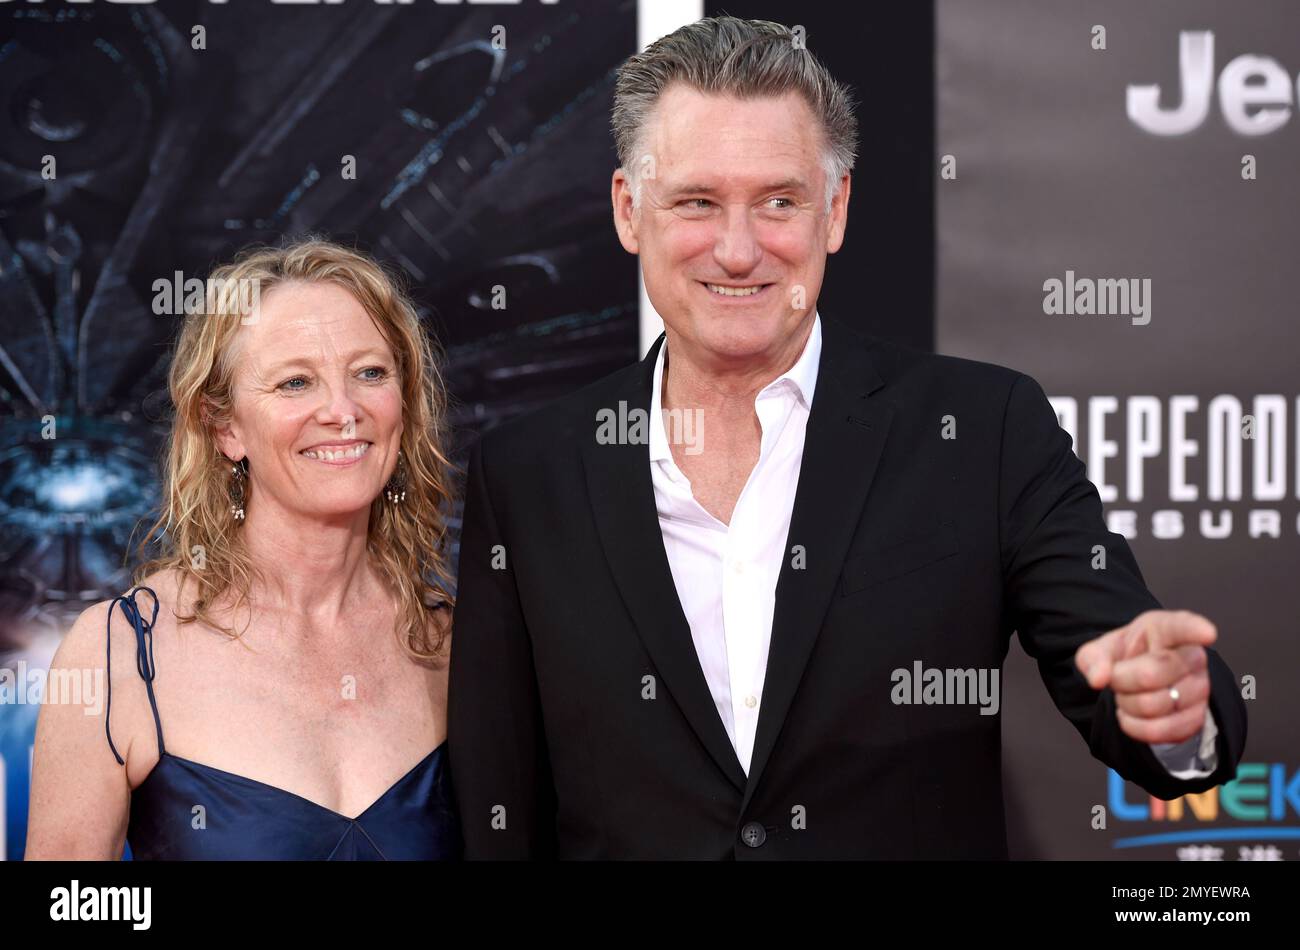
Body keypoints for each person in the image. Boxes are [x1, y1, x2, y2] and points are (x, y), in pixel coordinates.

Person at [447, 16, 1247, 859]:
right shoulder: (529, 474)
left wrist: (1169, 709)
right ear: (628, 210)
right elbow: (501, 807)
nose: (738, 248)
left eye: (779, 202)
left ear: (835, 211)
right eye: (697, 202)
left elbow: (1135, 674)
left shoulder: (984, 431)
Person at [26, 238, 462, 860]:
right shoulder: (121, 653)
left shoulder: (454, 647)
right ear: (224, 426)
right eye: (294, 383)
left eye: (371, 373)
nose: (343, 411)